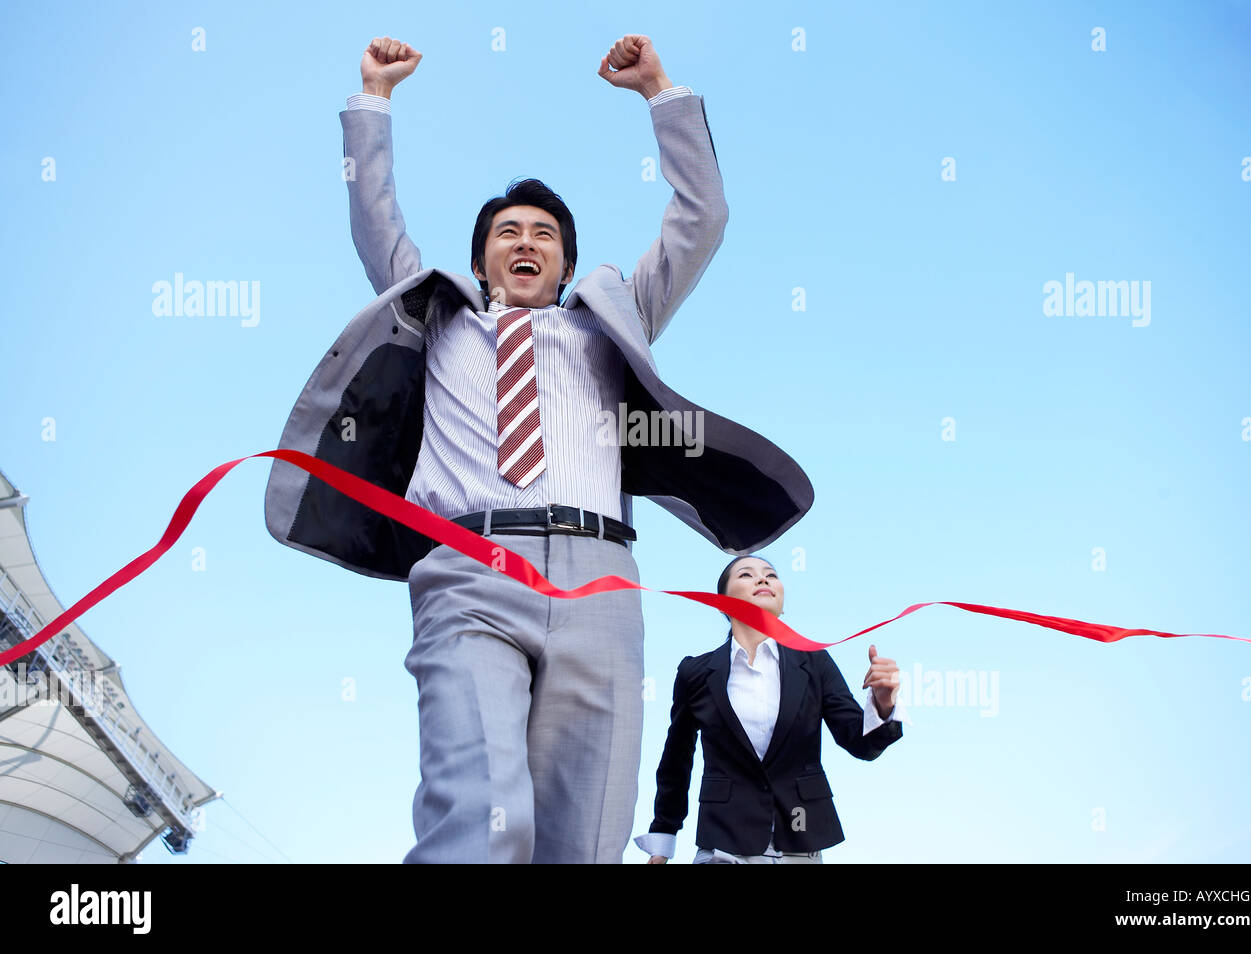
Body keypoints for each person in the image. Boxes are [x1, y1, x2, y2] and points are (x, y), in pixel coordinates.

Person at [263, 35, 814, 862]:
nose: (527, 241)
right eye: (509, 231)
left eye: (546, 234)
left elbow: (703, 220)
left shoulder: (609, 320)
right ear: (483, 257)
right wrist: (373, 97)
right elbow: (374, 218)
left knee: (581, 841)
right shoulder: (439, 317)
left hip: (602, 585)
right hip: (469, 571)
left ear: (565, 262)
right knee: (481, 819)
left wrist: (660, 92)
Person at [635, 555, 905, 863]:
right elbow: (676, 762)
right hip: (723, 845)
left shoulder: (814, 662)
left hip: (800, 843)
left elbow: (860, 743)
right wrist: (662, 841)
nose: (763, 579)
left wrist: (883, 705)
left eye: (771, 575)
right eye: (747, 575)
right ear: (723, 603)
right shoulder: (695, 673)